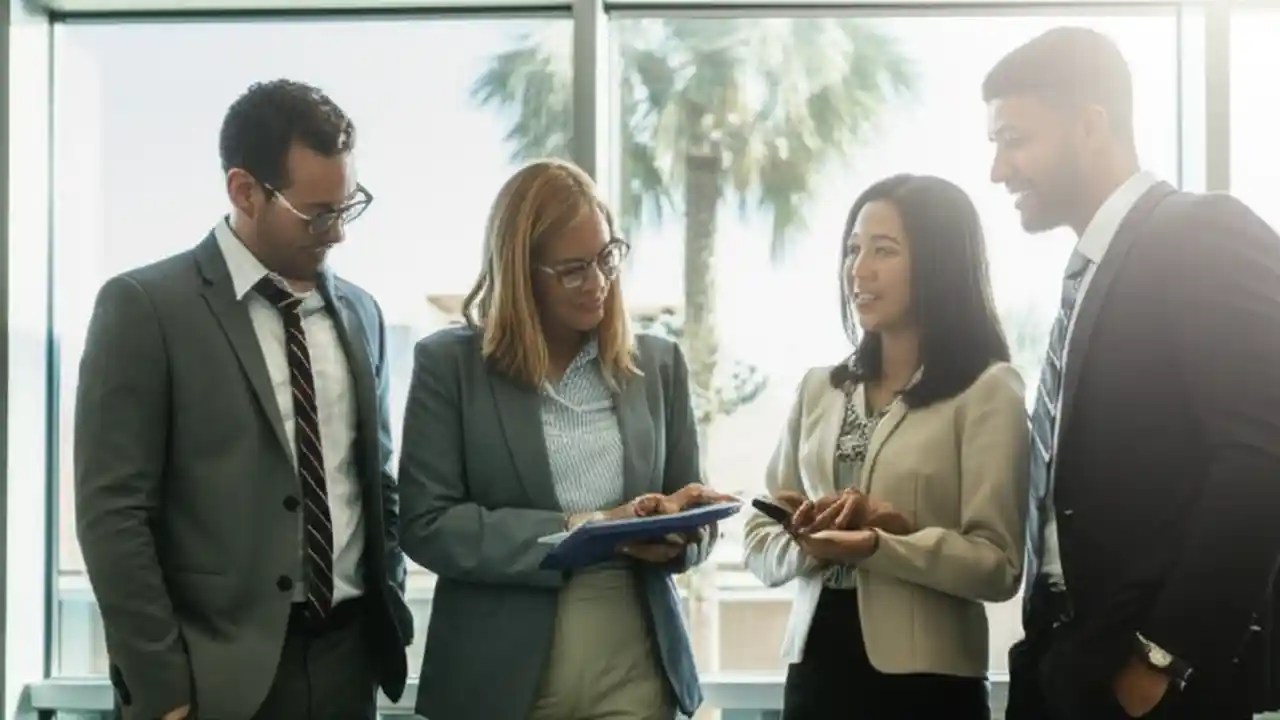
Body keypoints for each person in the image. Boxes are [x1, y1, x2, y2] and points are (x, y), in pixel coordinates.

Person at [74, 79, 412, 720]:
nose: (337, 233)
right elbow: (113, 515)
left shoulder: (362, 314)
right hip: (211, 680)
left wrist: (385, 602)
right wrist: (160, 688)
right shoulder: (144, 308)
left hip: (350, 665)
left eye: (348, 206)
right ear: (244, 191)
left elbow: (376, 484)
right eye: (317, 213)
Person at [985, 27, 1280, 720]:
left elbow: (1262, 457)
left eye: (1014, 138)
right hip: (1068, 666)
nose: (998, 169)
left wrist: (1162, 658)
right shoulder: (1086, 274)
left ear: (1091, 125)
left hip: (1153, 680)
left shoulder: (1201, 232)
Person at [398, 158, 730, 720]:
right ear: (520, 271)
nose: (599, 282)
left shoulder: (658, 364)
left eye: (607, 257)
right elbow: (427, 525)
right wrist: (583, 528)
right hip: (497, 676)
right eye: (573, 269)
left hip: (635, 665)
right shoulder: (449, 366)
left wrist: (679, 535)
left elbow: (688, 508)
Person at [742, 173, 1030, 720]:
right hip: (815, 675)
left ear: (938, 263)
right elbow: (760, 528)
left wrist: (878, 545)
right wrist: (807, 542)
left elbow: (997, 565)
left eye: (883, 250)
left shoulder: (989, 390)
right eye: (853, 249)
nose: (859, 269)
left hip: (927, 689)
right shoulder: (818, 390)